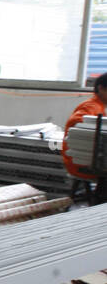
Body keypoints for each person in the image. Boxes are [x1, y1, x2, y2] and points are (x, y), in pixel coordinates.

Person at [62, 73, 107, 203]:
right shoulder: (90, 107)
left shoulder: (99, 107)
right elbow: (74, 124)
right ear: (101, 88)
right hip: (80, 160)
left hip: (93, 160)